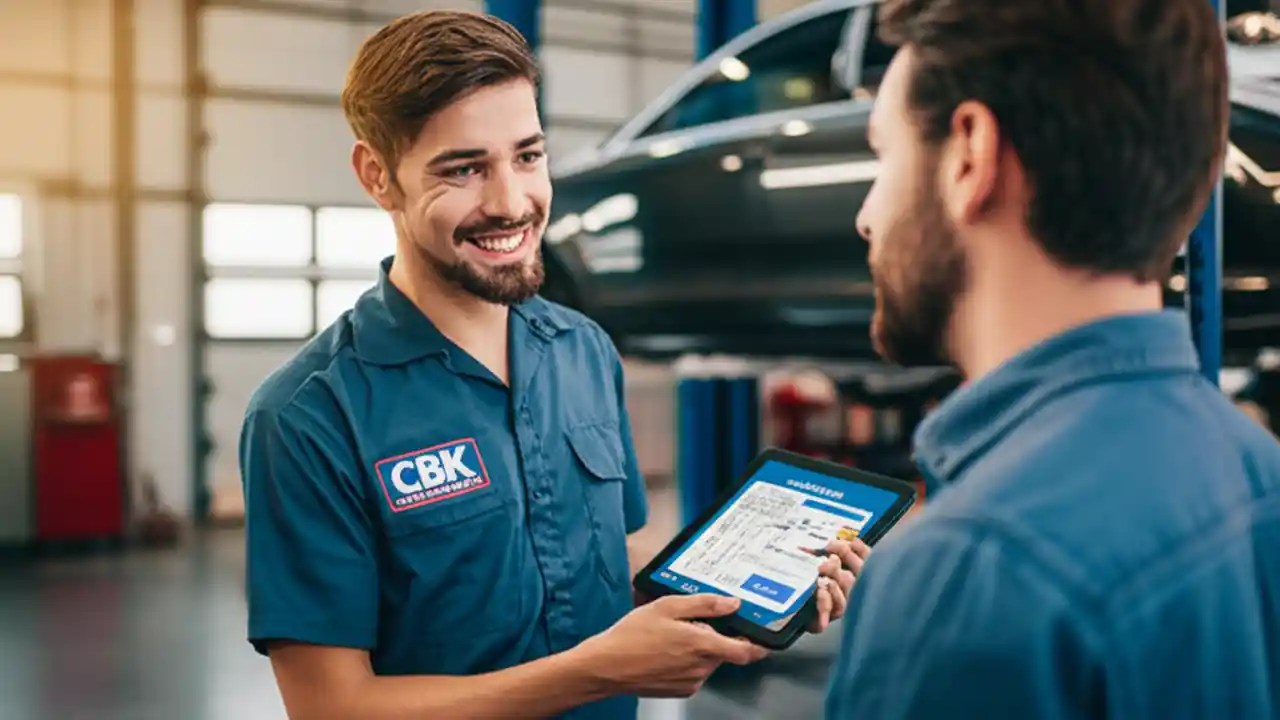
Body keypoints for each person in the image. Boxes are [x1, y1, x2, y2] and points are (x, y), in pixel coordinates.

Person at [237, 10, 864, 720]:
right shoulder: (308, 417)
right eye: (464, 169)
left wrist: (753, 597)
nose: (512, 204)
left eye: (528, 157)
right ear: (378, 177)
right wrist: (592, 674)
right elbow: (332, 708)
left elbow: (612, 581)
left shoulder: (584, 350)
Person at [827, 0, 1280, 717]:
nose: (867, 214)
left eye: (886, 156)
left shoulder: (968, 576)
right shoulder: (1258, 469)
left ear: (969, 155)